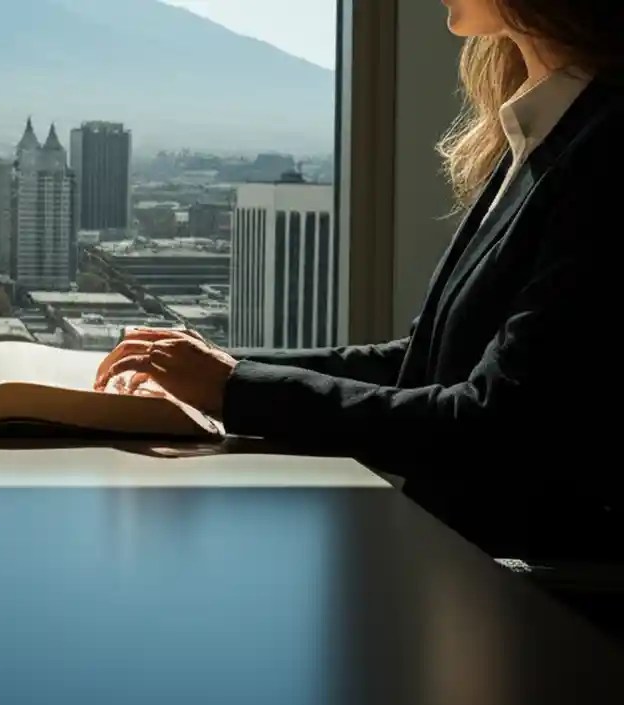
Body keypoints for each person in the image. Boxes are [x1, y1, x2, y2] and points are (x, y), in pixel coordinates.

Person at [95, 0, 623, 561]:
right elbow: (423, 365)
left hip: (537, 613)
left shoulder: (607, 153)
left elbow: (490, 428)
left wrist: (233, 386)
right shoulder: (549, 128)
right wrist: (220, 370)